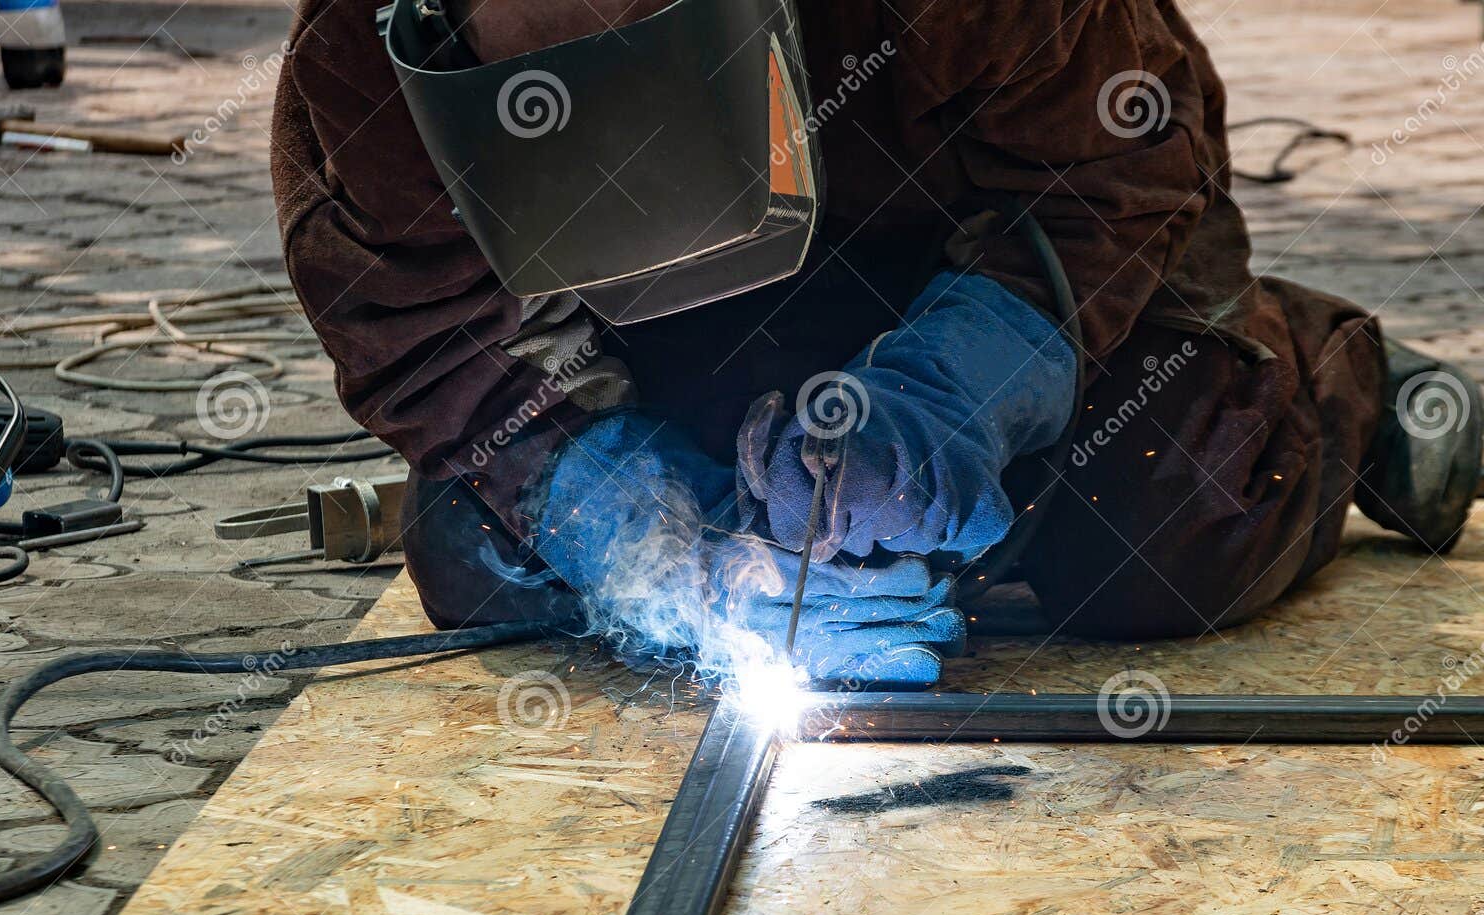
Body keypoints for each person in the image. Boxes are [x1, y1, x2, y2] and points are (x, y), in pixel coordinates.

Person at [271, 0, 1480, 685]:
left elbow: (1109, 178)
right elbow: (421, 330)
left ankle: (1330, 379)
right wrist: (639, 527)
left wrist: (952, 392)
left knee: (1168, 518)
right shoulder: (361, 54)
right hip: (661, 315)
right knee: (488, 567)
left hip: (1011, 226)